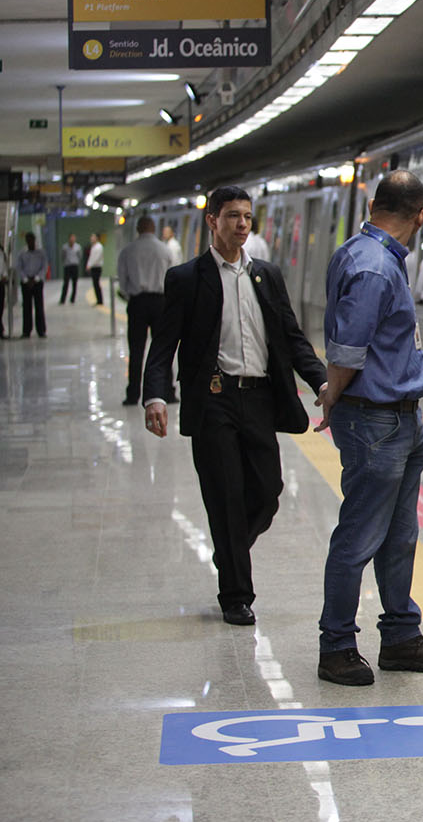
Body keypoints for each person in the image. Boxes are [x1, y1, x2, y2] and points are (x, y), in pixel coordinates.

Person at [143, 187, 327, 626]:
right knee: (225, 495)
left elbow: (291, 337)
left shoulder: (267, 275)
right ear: (212, 221)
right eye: (232, 216)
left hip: (259, 397)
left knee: (268, 492)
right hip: (214, 399)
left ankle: (228, 549)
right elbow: (163, 344)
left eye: (247, 216)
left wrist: (322, 382)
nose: (242, 224)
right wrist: (155, 395)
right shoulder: (187, 278)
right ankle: (236, 596)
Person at [315, 170, 423, 685]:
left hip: (398, 419)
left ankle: (400, 635)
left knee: (399, 535)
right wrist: (333, 395)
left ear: (375, 205)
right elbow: (347, 350)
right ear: (421, 216)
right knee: (359, 536)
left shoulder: (366, 254)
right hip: (375, 420)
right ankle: (336, 645)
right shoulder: (376, 267)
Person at [116, 217, 174, 405]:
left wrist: (130, 295)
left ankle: (133, 394)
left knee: (136, 350)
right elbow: (173, 277)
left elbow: (122, 281)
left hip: (137, 303)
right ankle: (168, 391)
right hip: (160, 302)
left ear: (138, 229)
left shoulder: (128, 251)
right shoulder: (165, 250)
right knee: (163, 348)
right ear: (154, 228)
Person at [16, 231, 48, 339]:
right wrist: (26, 279)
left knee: (39, 306)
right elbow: (19, 268)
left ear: (34, 240)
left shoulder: (41, 253)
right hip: (26, 283)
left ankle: (41, 330)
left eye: (32, 240)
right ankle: (26, 331)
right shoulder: (22, 253)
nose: (30, 242)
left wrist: (37, 278)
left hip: (37, 282)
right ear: (26, 241)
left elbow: (44, 267)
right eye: (28, 240)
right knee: (26, 307)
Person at [59, 233, 82, 304]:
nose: (72, 239)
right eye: (71, 238)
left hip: (74, 266)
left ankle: (72, 299)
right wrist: (64, 262)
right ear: (69, 239)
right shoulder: (65, 247)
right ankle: (63, 299)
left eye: (73, 238)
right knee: (66, 283)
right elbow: (62, 256)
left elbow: (80, 256)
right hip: (67, 266)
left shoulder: (78, 247)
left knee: (74, 283)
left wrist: (77, 262)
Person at [86, 232, 105, 305]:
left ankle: (100, 300)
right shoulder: (93, 247)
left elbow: (96, 258)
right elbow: (91, 257)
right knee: (95, 284)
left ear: (96, 238)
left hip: (97, 267)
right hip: (93, 267)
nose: (91, 238)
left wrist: (90, 265)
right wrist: (88, 265)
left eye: (93, 237)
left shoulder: (99, 247)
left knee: (96, 283)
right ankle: (98, 299)